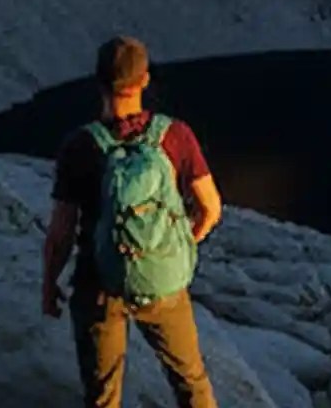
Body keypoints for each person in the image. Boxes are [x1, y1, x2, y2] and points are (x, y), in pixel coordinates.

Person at [42, 36, 224, 408]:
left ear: (100, 83)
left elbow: (60, 233)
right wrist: (180, 245)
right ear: (144, 81)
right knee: (191, 381)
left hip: (99, 282)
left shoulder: (80, 146)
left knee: (102, 395)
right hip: (162, 281)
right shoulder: (175, 136)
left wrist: (48, 284)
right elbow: (211, 208)